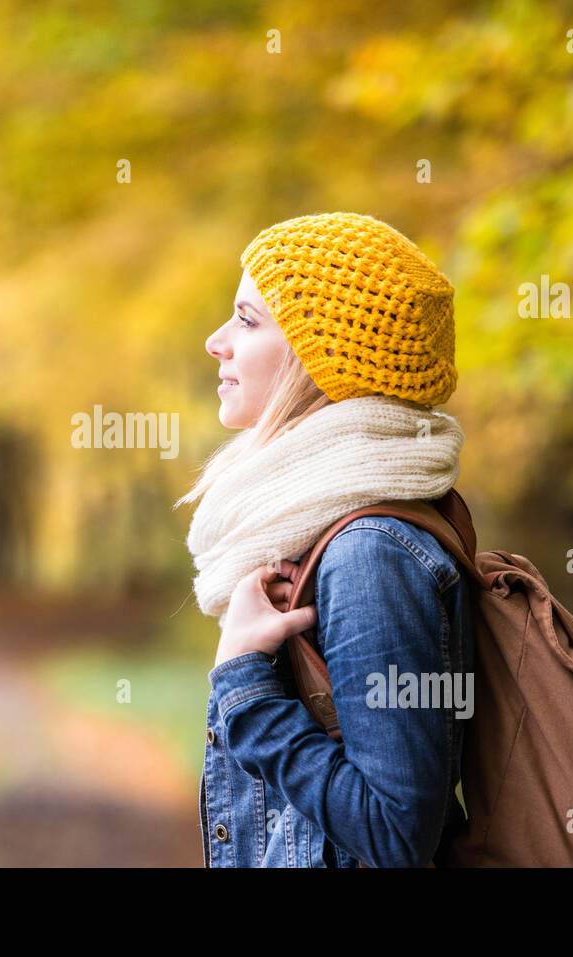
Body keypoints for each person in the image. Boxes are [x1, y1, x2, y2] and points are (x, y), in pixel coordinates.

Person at [175, 211, 475, 867]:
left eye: (247, 320)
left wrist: (244, 681)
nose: (215, 341)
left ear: (320, 361)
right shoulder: (318, 530)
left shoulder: (372, 554)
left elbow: (396, 834)